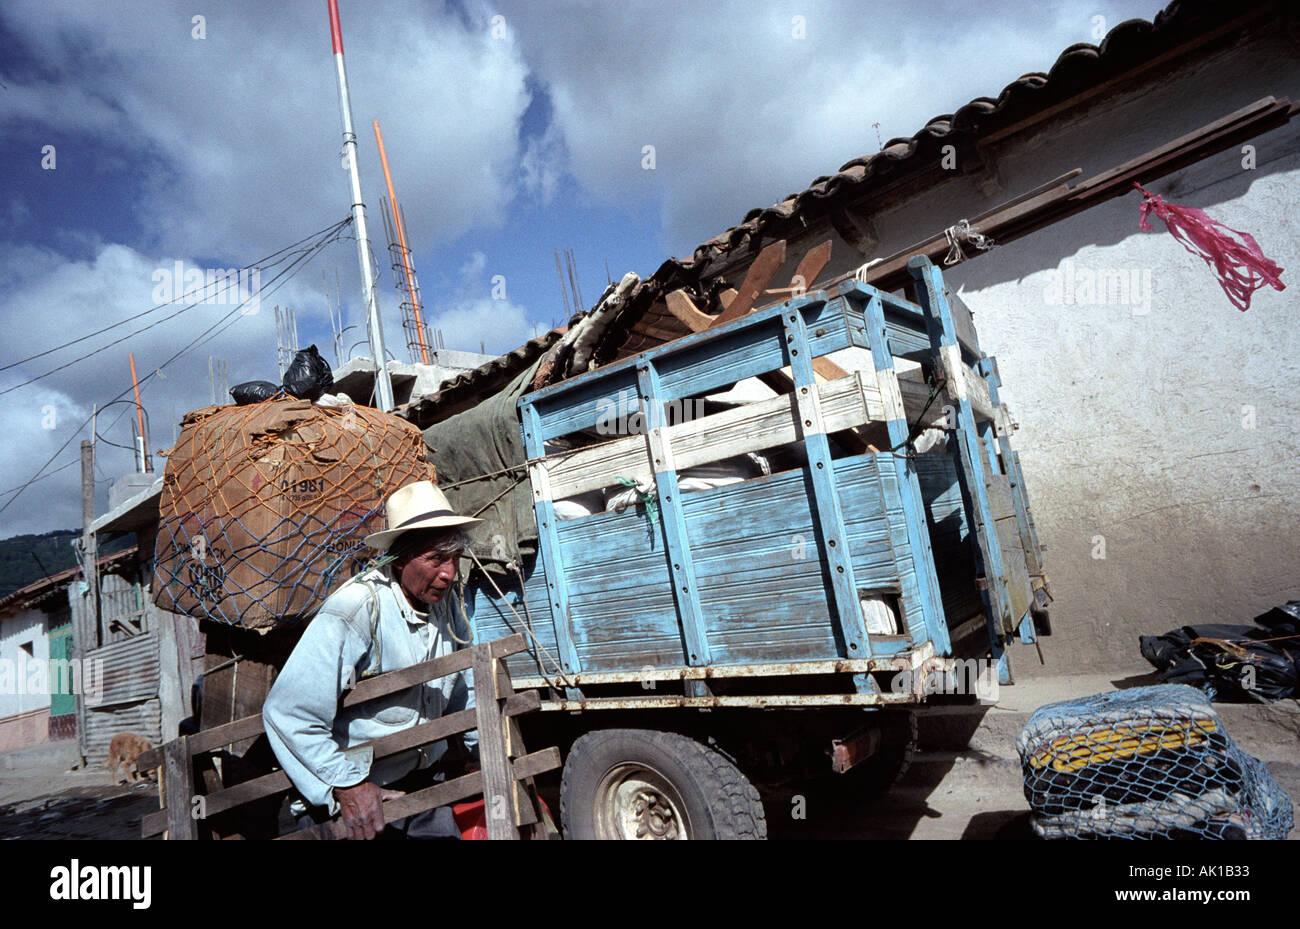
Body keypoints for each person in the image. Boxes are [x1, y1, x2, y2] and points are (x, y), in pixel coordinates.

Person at [262, 480, 481, 839]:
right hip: (358, 797)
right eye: (436, 558)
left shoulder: (446, 605)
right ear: (399, 560)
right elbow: (288, 712)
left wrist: (478, 750)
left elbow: (462, 689)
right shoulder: (356, 610)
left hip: (422, 781)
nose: (450, 573)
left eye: (455, 558)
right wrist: (347, 785)